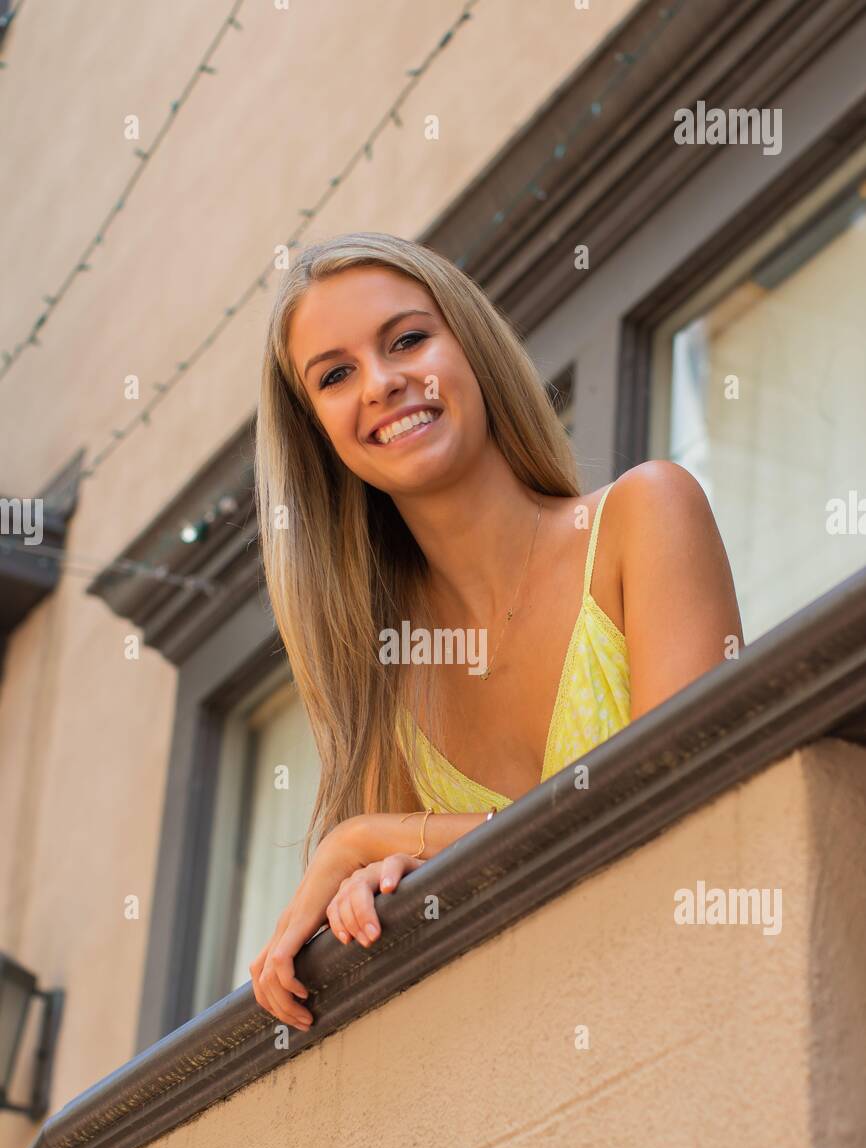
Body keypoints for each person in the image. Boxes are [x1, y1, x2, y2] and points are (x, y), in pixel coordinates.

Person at [249, 231, 742, 1029]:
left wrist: (368, 837)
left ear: (470, 348)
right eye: (335, 375)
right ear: (320, 438)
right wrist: (363, 881)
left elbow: (684, 805)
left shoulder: (645, 518)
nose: (381, 383)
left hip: (714, 1021)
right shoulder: (387, 690)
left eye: (407, 339)